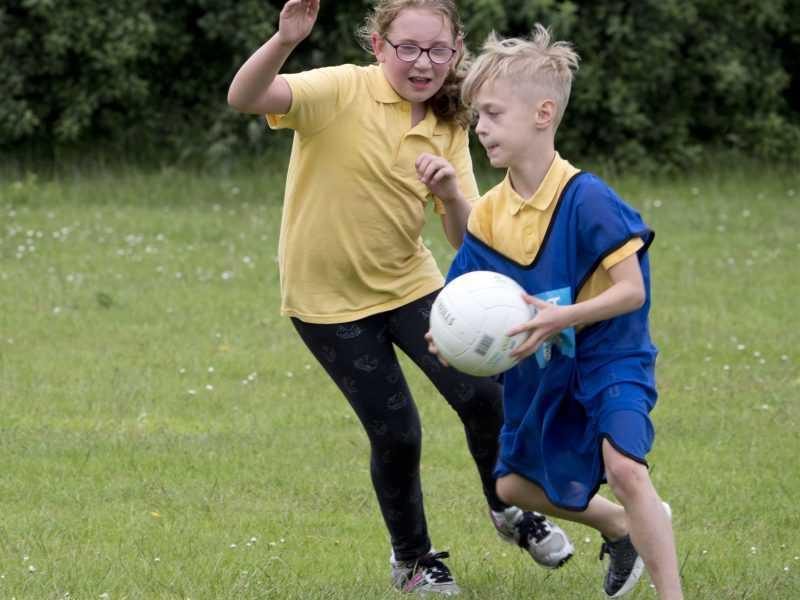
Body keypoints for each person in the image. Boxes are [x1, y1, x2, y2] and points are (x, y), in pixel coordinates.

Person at [227, 1, 574, 595]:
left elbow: (464, 236)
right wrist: (285, 41)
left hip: (410, 284)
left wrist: (449, 192)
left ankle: (509, 507)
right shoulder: (339, 89)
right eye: (408, 48)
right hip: (326, 303)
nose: (423, 63)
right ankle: (413, 561)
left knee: (486, 397)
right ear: (379, 47)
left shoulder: (452, 120)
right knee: (397, 431)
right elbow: (246, 96)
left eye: (438, 50)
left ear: (457, 50)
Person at [419, 26, 684, 599]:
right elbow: (461, 293)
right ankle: (621, 527)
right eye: (476, 117)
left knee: (625, 469)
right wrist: (446, 335)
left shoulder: (586, 197)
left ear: (543, 113)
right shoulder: (489, 213)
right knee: (513, 486)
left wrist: (559, 318)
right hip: (543, 368)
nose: (479, 127)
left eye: (490, 114)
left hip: (610, 356)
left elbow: (631, 292)